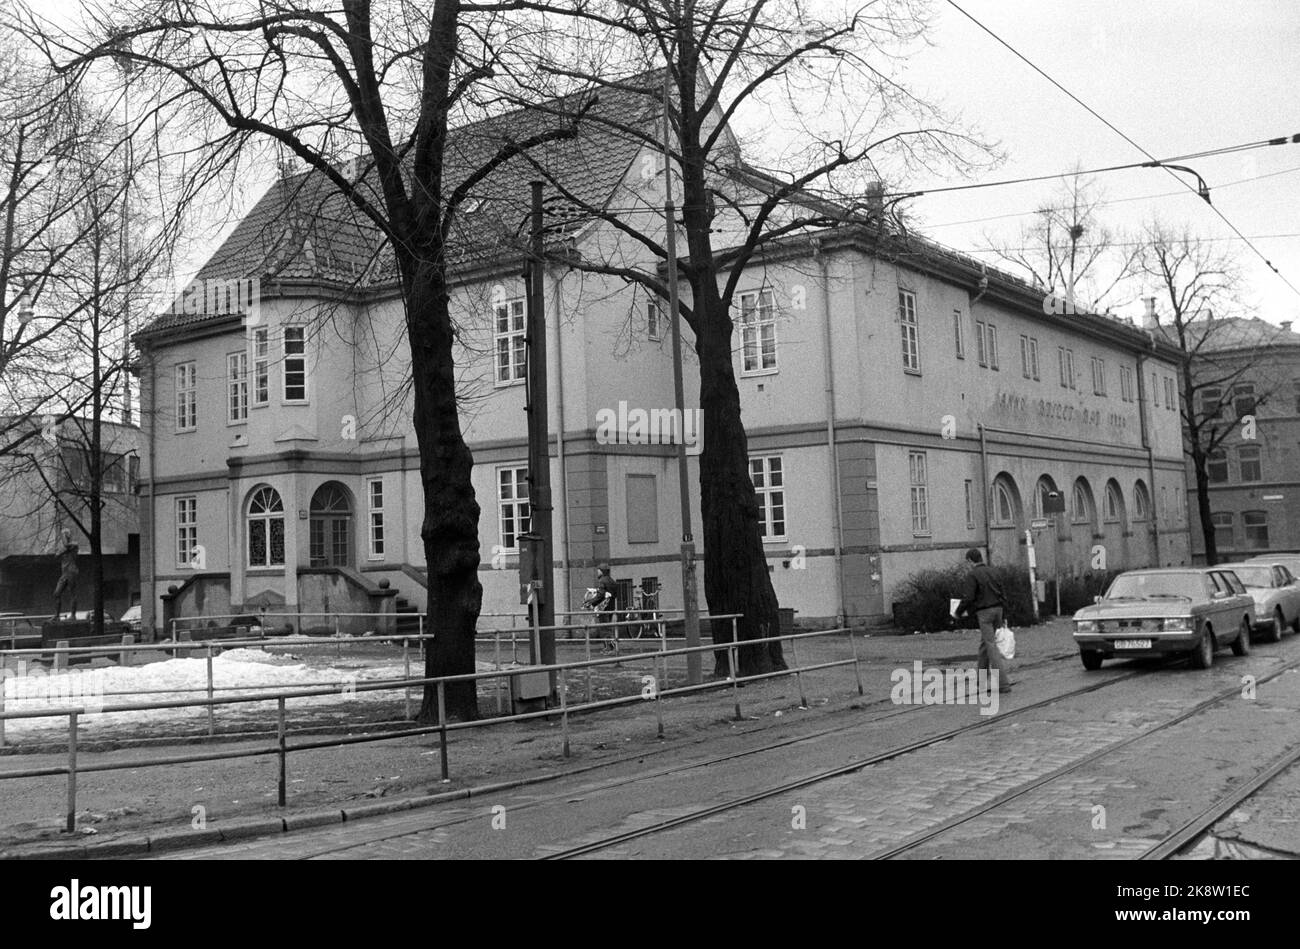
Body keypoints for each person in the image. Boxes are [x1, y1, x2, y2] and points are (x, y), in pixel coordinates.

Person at [956, 548, 1012, 694]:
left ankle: (1003, 684)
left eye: (966, 562)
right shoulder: (993, 571)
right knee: (984, 645)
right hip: (998, 610)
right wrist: (1004, 614)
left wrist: (958, 612)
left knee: (991, 646)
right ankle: (980, 682)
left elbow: (968, 598)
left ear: (970, 561)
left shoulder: (972, 575)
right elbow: (1003, 593)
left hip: (985, 613)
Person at [52, 529, 79, 620]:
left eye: (64, 535)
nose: (63, 538)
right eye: (62, 536)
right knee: (56, 593)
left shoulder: (74, 544)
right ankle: (57, 615)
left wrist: (63, 549)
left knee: (72, 593)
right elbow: (56, 556)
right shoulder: (64, 547)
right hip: (64, 573)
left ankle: (73, 615)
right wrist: (62, 550)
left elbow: (67, 546)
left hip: (72, 571)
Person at [593, 564, 619, 651]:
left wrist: (591, 602)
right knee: (608, 627)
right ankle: (610, 645)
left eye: (598, 570)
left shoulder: (602, 581)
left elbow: (600, 595)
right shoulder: (612, 581)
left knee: (604, 629)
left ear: (602, 571)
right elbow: (614, 595)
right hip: (611, 607)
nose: (597, 572)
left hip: (603, 608)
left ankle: (609, 646)